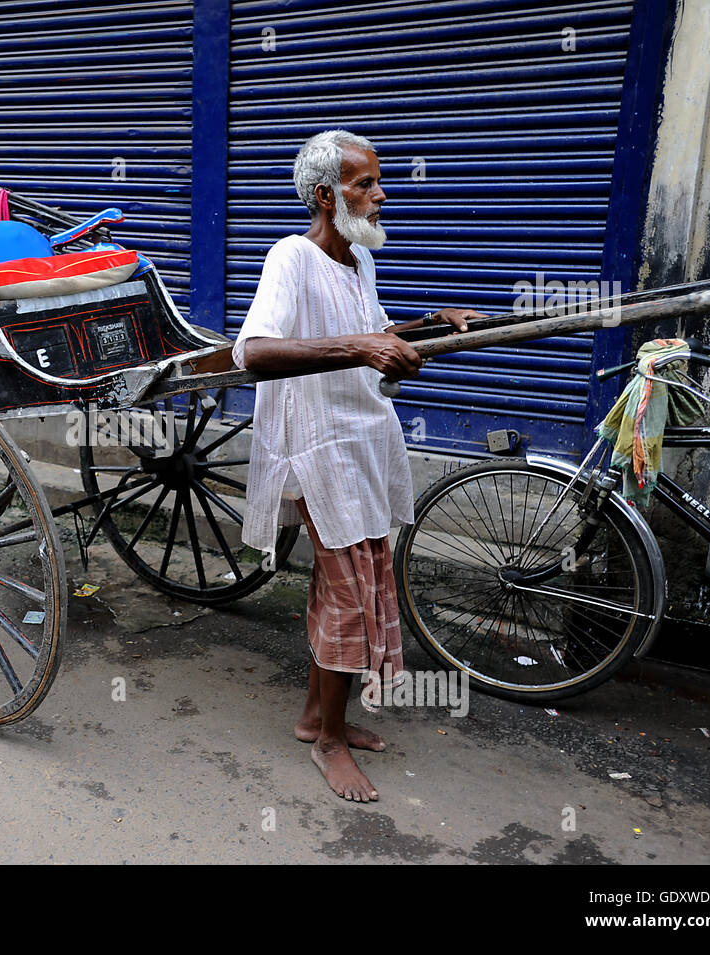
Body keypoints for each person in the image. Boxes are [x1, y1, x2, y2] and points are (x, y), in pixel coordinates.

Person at [232, 130, 484, 803]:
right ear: (325, 196)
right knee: (347, 598)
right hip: (319, 449)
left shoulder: (359, 262)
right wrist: (360, 346)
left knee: (353, 584)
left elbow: (375, 332)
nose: (381, 194)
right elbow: (252, 352)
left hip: (365, 443)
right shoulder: (292, 257)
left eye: (378, 181)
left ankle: (318, 713)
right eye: (365, 184)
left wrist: (431, 322)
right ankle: (329, 741)